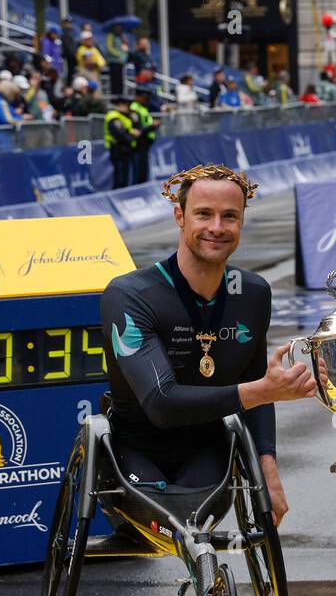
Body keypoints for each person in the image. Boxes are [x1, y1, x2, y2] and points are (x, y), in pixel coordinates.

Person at [99, 163, 314, 525]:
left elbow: (256, 391)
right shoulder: (129, 294)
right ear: (179, 216)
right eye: (204, 214)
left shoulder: (252, 292)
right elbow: (161, 403)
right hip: (134, 451)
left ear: (242, 221)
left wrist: (269, 471)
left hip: (207, 450)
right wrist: (262, 390)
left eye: (229, 216)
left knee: (198, 530)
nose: (217, 227)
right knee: (166, 523)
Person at [104, 95, 140, 188]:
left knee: (125, 174)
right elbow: (120, 134)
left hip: (126, 149)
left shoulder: (125, 116)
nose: (128, 108)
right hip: (118, 148)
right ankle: (117, 196)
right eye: (126, 105)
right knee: (119, 175)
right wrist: (133, 135)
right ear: (120, 105)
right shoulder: (114, 117)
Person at [130, 86, 157, 184]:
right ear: (138, 97)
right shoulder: (134, 108)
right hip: (140, 141)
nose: (146, 99)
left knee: (144, 166)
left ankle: (143, 186)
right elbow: (138, 130)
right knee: (140, 167)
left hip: (145, 141)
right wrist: (152, 126)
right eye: (144, 97)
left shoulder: (142, 107)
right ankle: (138, 188)